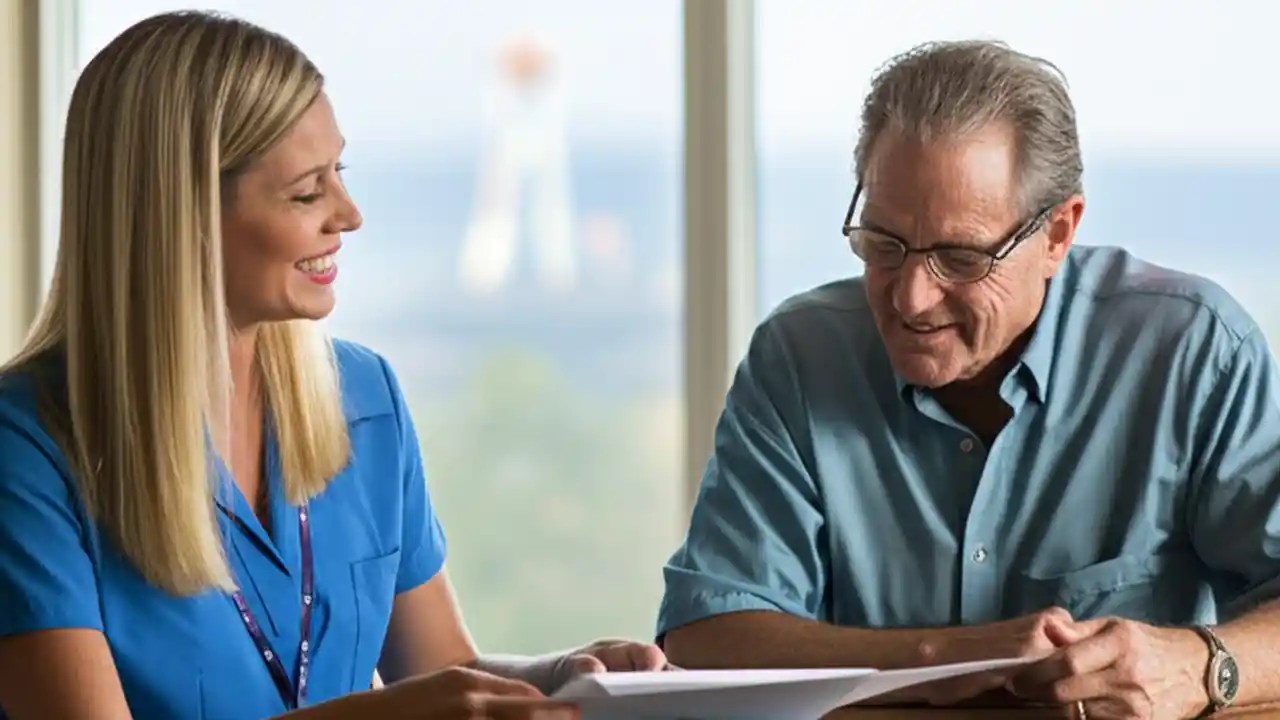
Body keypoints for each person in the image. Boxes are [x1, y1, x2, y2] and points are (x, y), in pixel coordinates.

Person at [0, 11, 665, 720]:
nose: (348, 215)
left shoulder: (365, 399)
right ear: (182, 214)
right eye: (307, 192)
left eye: (338, 173)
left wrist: (566, 675)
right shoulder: (27, 448)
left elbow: (442, 673)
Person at [657, 39, 1280, 719]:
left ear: (1058, 234)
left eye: (959, 258)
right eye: (884, 245)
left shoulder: (1192, 349)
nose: (911, 299)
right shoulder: (800, 358)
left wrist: (1198, 666)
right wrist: (951, 655)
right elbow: (709, 635)